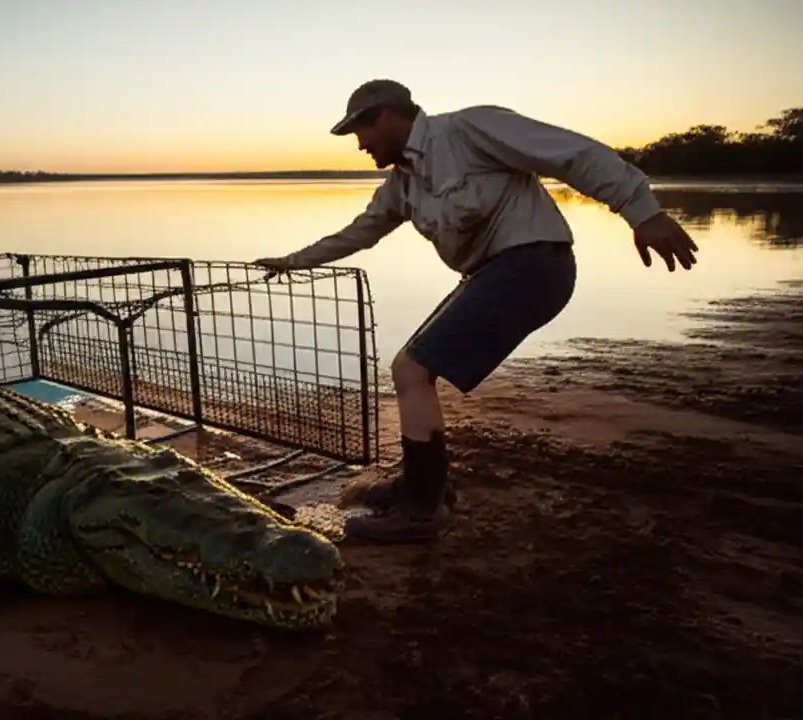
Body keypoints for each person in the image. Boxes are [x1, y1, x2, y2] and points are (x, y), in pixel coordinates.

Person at [254, 79, 698, 544]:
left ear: (384, 115)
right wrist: (292, 261)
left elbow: (572, 153)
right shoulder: (401, 184)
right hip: (490, 273)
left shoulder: (469, 129)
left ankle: (423, 510)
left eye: (360, 131)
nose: (360, 144)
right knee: (408, 369)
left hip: (534, 264)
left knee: (413, 369)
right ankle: (425, 486)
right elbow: (360, 232)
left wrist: (642, 211)